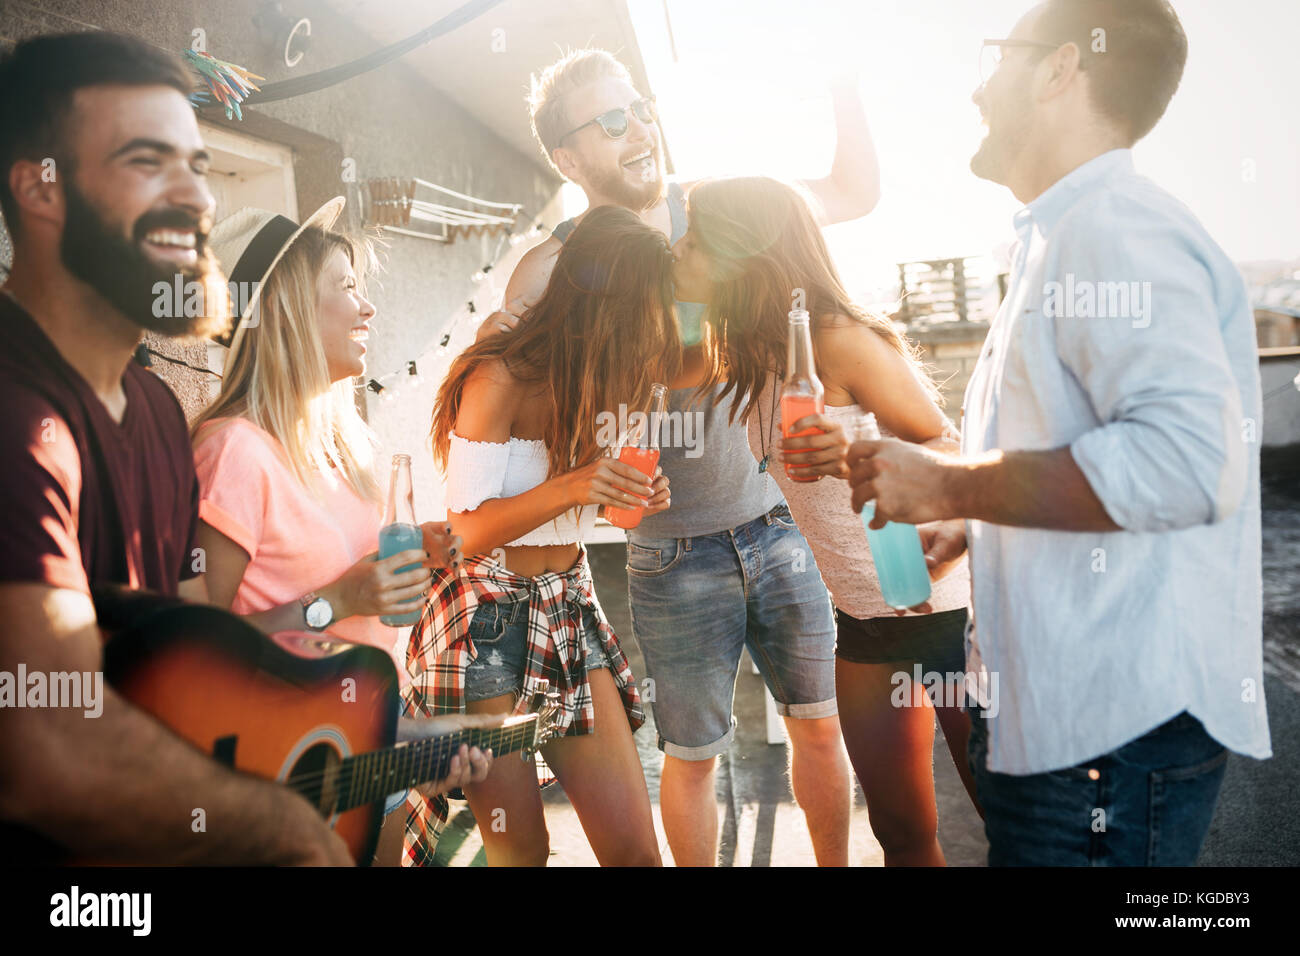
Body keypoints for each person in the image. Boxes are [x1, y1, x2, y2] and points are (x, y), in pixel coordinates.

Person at [0, 31, 484, 866]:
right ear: (40, 191)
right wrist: (283, 829)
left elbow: (196, 671)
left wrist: (403, 738)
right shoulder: (19, 416)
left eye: (196, 164)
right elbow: (50, 749)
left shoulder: (150, 409)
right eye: (148, 161)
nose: (198, 198)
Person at [846, 0, 1272, 865]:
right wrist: (970, 522)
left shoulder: (1114, 228)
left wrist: (948, 484)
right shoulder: (1059, 235)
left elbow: (1189, 466)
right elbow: (1093, 447)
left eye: (995, 57)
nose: (975, 88)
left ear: (1056, 69)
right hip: (1067, 727)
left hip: (1106, 743)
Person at [480, 46, 881, 868]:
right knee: (694, 760)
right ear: (568, 157)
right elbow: (492, 396)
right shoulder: (553, 267)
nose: (642, 128)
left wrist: (842, 72)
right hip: (669, 553)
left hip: (778, 524)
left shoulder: (715, 209)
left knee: (819, 724)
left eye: (642, 108)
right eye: (613, 119)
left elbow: (853, 194)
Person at [673, 175, 981, 865]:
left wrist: (852, 454)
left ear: (739, 253)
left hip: (944, 608)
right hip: (865, 620)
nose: (678, 251)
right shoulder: (748, 355)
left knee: (1017, 818)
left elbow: (946, 450)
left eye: (693, 240)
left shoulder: (838, 339)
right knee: (899, 832)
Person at [192, 199, 495, 865]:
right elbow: (194, 658)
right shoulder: (233, 453)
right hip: (277, 784)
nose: (368, 308)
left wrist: (414, 736)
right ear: (287, 309)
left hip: (367, 768)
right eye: (346, 286)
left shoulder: (346, 449)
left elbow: (352, 639)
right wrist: (341, 597)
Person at [405, 205, 678, 866]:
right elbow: (464, 532)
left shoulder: (612, 378)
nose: (658, 320)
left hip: (567, 607)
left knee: (635, 853)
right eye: (647, 302)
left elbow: (592, 505)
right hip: (486, 622)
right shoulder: (500, 373)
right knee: (521, 854)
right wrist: (577, 485)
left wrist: (632, 496)